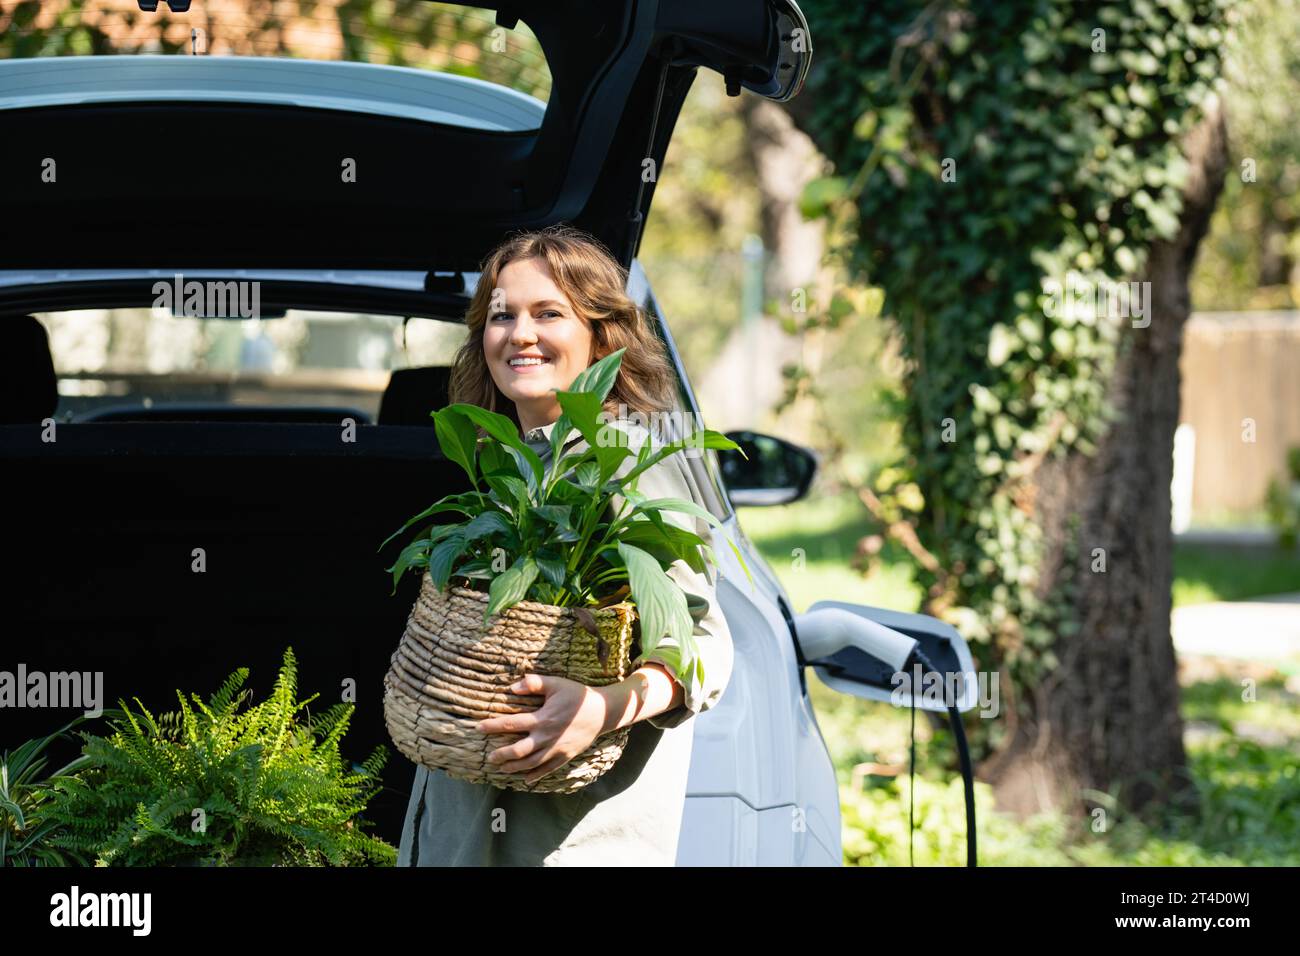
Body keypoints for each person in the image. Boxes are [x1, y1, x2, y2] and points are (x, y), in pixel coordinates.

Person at [396, 223, 735, 866]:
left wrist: (602, 707)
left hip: (565, 843)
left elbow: (705, 642)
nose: (520, 333)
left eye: (548, 313)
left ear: (601, 337)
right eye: (502, 316)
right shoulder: (514, 465)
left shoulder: (624, 456)